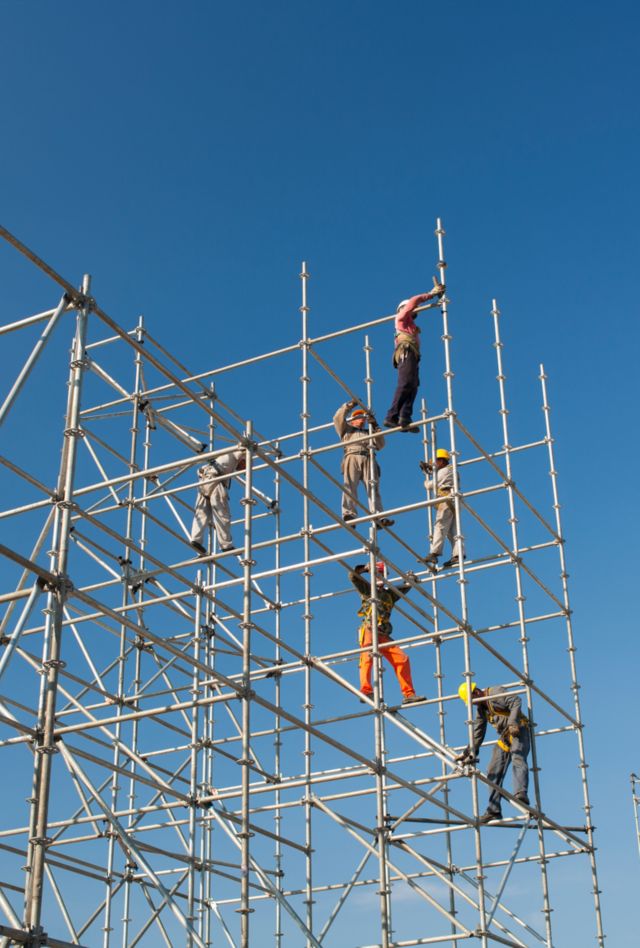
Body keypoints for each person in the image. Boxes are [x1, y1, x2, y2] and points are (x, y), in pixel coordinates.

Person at [349, 561, 425, 705]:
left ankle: (408, 694)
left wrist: (410, 580)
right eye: (377, 574)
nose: (379, 577)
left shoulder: (389, 595)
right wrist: (364, 568)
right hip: (369, 629)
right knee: (367, 658)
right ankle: (366, 691)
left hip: (383, 633)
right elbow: (352, 576)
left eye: (381, 574)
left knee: (402, 659)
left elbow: (402, 589)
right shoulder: (368, 589)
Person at [455, 682, 531, 822]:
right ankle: (493, 810)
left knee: (518, 758)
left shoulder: (496, 692)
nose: (473, 705)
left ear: (476, 692)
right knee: (492, 770)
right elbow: (478, 732)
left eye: (472, 700)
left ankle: (521, 793)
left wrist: (513, 722)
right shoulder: (482, 709)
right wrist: (468, 752)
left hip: (519, 729)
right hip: (505, 736)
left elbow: (516, 701)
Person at [383, 281, 445, 432]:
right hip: (406, 353)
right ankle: (391, 416)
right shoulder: (401, 318)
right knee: (405, 383)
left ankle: (405, 417)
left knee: (413, 385)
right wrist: (431, 294)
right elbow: (412, 302)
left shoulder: (412, 327)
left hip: (413, 356)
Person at [333, 400, 393, 526]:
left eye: (363, 418)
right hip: (352, 456)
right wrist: (350, 405)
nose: (362, 419)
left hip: (369, 457)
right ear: (352, 420)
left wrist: (375, 426)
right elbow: (337, 417)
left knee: (373, 488)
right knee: (350, 486)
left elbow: (381, 445)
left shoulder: (369, 432)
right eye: (358, 417)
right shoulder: (346, 430)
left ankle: (378, 516)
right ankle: (349, 514)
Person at [190, 448, 246, 556]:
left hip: (204, 479)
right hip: (215, 480)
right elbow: (242, 450)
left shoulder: (224, 460)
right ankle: (226, 545)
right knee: (222, 514)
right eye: (244, 466)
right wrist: (249, 449)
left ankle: (196, 540)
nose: (241, 469)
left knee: (202, 512)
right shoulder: (236, 455)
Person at [420, 449, 464, 568]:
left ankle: (434, 552)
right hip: (454, 500)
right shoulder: (451, 470)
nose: (434, 465)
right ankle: (458, 555)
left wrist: (426, 478)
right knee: (453, 531)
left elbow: (430, 485)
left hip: (446, 499)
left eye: (435, 462)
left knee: (440, 526)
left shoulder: (444, 471)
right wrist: (430, 471)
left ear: (441, 461)